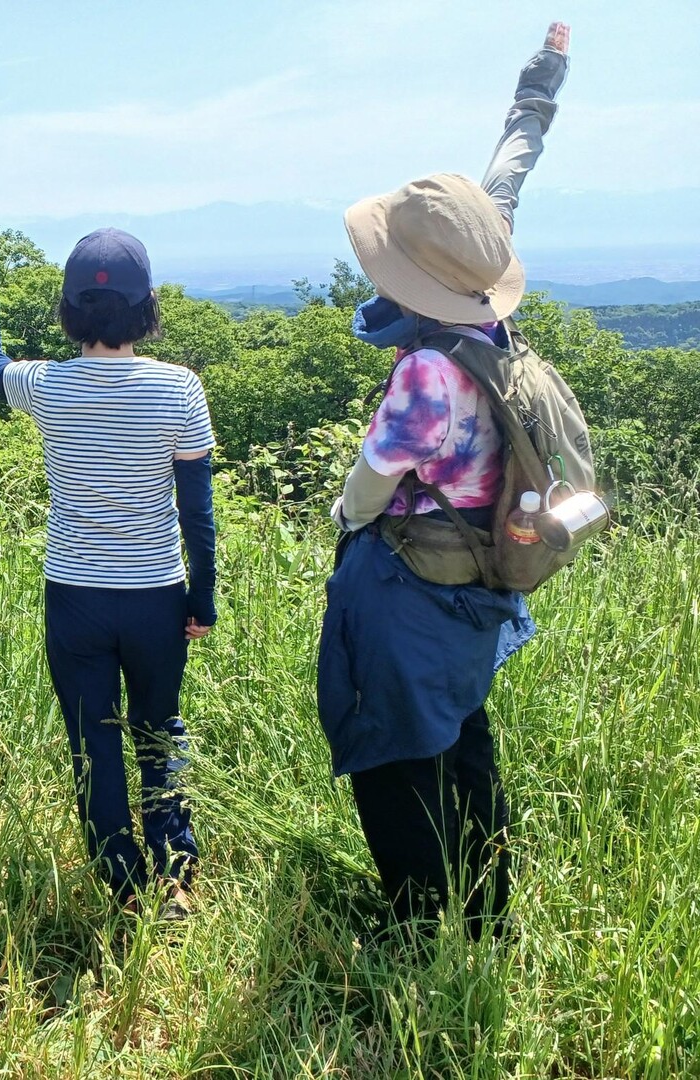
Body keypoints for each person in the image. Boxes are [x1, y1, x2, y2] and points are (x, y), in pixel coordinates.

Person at [320, 23, 571, 938]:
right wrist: (543, 79)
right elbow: (510, 170)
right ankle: (490, 908)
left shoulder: (428, 375)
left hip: (418, 581)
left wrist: (346, 529)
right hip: (485, 577)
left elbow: (371, 483)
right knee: (464, 734)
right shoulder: (487, 296)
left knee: (395, 751)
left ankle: (423, 925)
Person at [0, 222, 217, 917]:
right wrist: (204, 595)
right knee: (159, 728)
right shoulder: (179, 390)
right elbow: (198, 512)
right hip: (158, 594)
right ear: (147, 308)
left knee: (93, 740)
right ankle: (174, 873)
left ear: (70, 311)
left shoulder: (47, 387)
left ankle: (123, 882)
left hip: (75, 595)